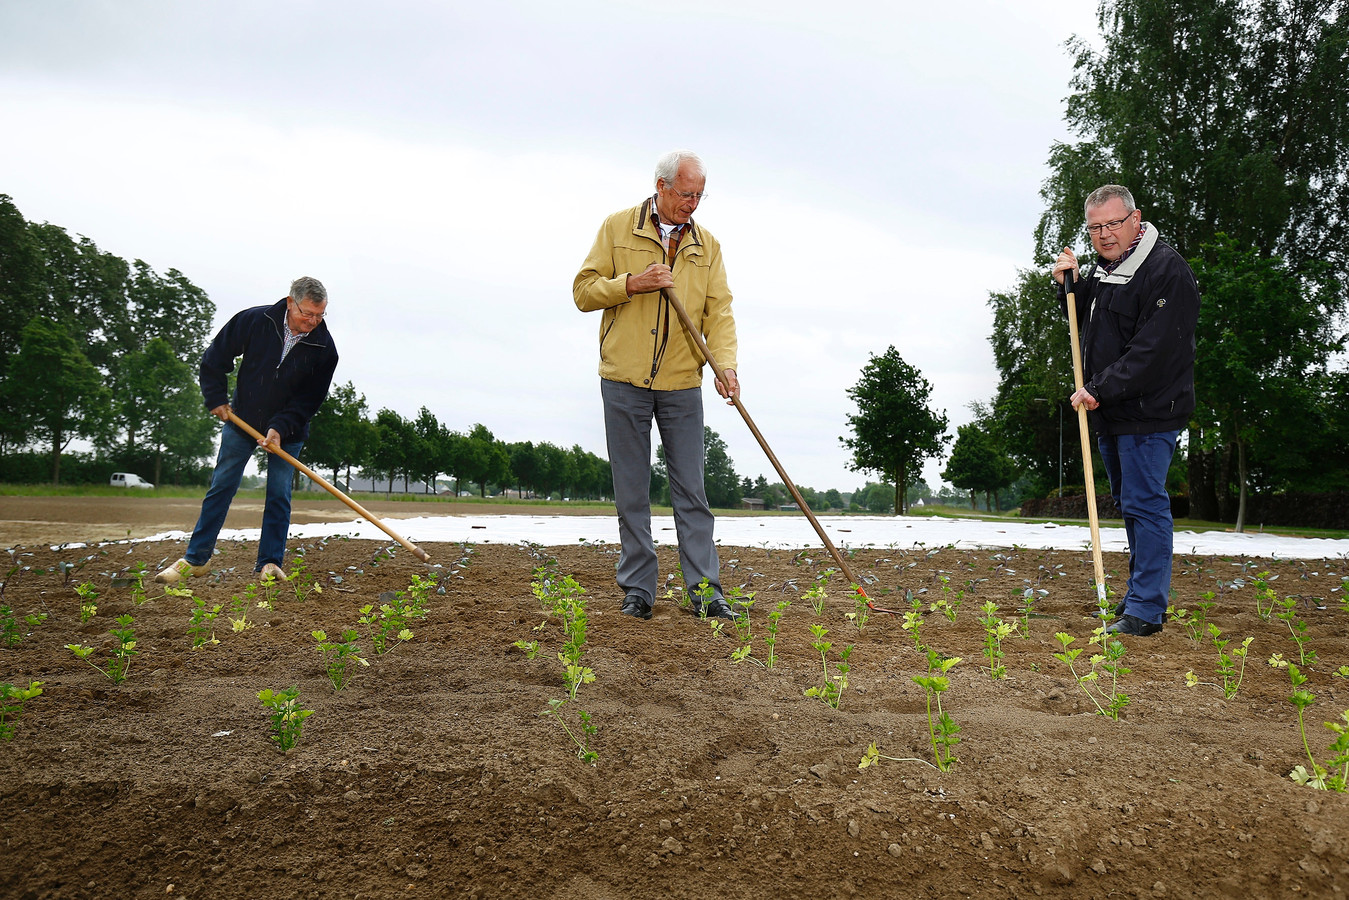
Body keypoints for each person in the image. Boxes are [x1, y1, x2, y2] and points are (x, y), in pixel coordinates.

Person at [573, 150, 740, 621]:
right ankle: (639, 592)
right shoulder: (617, 227)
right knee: (632, 492)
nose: (693, 203)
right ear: (662, 186)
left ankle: (706, 592)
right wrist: (632, 283)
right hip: (623, 379)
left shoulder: (708, 247)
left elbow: (720, 313)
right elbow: (583, 291)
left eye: (700, 196)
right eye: (686, 194)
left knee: (692, 491)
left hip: (683, 383)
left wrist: (725, 366)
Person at [1051, 185, 1199, 636]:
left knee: (1145, 505)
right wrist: (1068, 288)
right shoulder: (1107, 270)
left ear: (1137, 218)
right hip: (1111, 410)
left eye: (1114, 223)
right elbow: (1089, 326)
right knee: (1131, 505)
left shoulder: (1165, 270)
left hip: (1149, 410)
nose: (1105, 234)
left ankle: (1147, 609)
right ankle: (1140, 596)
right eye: (1095, 227)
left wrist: (1099, 387)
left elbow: (1153, 350)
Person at [155, 276, 339, 583]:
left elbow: (310, 399)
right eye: (306, 313)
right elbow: (216, 356)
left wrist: (280, 427)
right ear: (290, 302)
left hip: (288, 432)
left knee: (279, 493)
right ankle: (196, 559)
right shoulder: (255, 320)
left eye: (320, 315)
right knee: (221, 486)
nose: (313, 321)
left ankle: (269, 562)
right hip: (243, 421)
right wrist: (215, 398)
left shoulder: (324, 348)